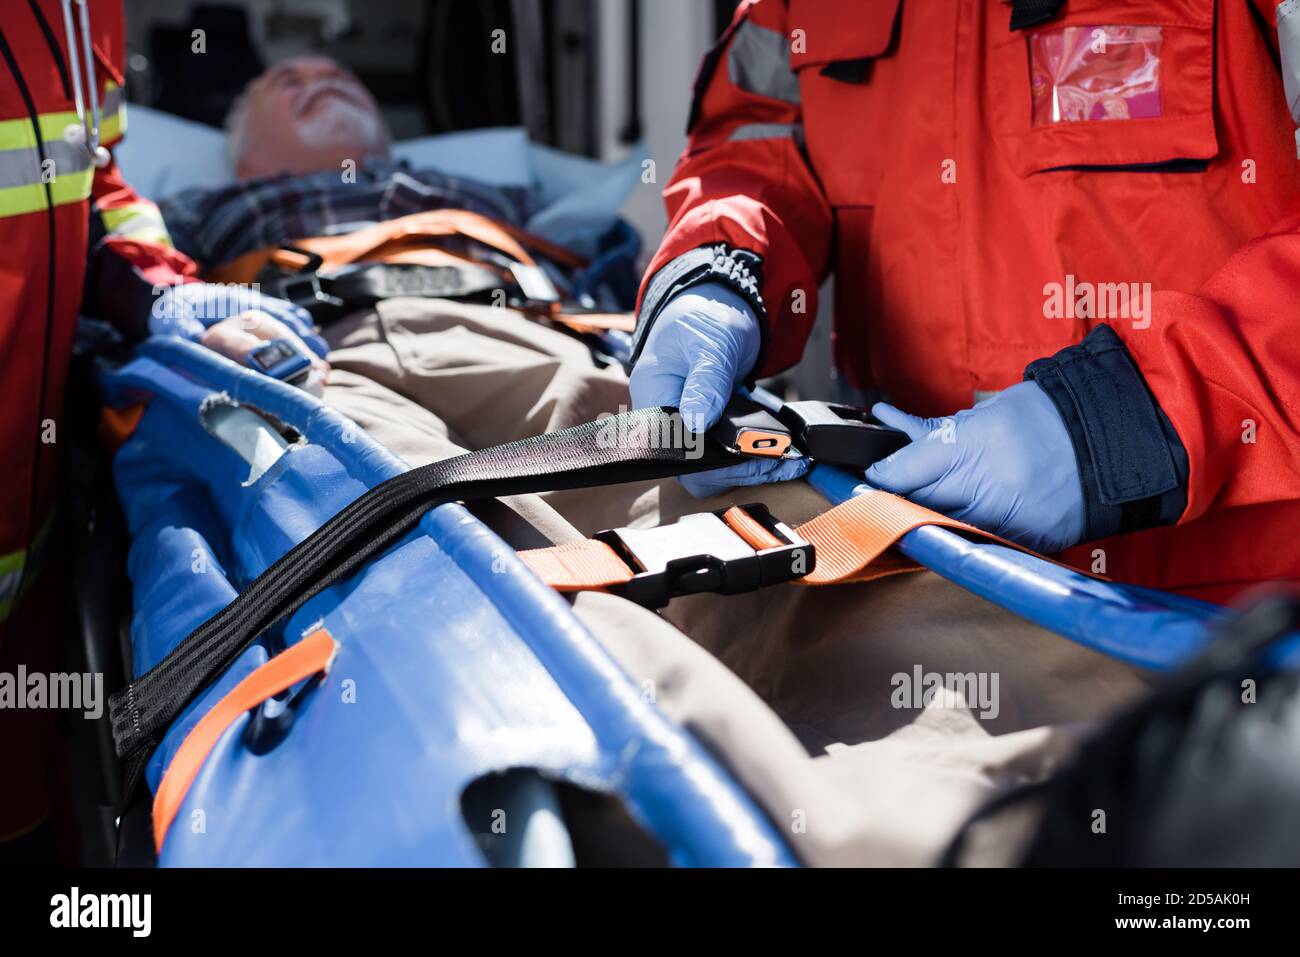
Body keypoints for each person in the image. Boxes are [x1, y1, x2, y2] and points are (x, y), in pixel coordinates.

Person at [628, 0, 1300, 602]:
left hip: (1231, 621)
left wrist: (1126, 428)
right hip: (908, 574)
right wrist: (718, 266)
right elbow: (762, 132)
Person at [0, 0, 317, 862]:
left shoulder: (75, 9)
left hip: (23, 599)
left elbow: (83, 179)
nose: (315, 80)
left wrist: (159, 293)